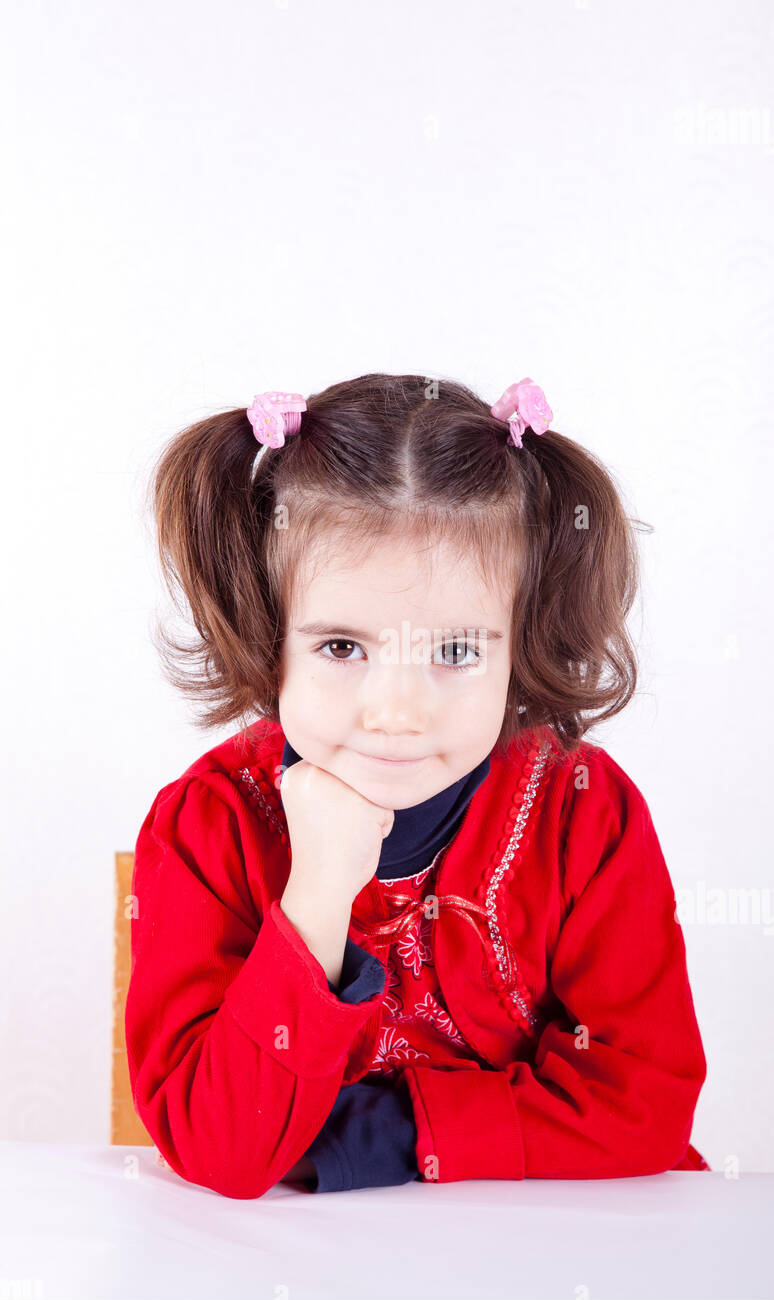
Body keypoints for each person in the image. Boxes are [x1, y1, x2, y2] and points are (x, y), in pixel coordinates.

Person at [127, 372, 709, 1200]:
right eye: (340, 648)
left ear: (521, 645)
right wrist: (318, 894)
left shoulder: (585, 812)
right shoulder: (206, 826)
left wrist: (380, 1135)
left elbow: (645, 1102)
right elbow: (218, 1148)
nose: (395, 712)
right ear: (271, 634)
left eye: (456, 651)